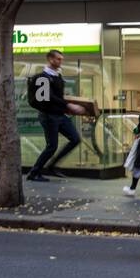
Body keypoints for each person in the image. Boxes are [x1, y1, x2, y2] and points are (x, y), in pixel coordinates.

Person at [26, 49, 84, 182]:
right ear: (50, 59)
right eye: (58, 59)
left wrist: (68, 107)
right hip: (48, 116)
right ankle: (34, 173)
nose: (60, 61)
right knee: (52, 146)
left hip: (60, 115)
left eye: (61, 59)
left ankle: (52, 165)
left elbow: (57, 97)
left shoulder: (57, 76)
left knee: (75, 139)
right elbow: (48, 98)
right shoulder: (42, 78)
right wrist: (68, 105)